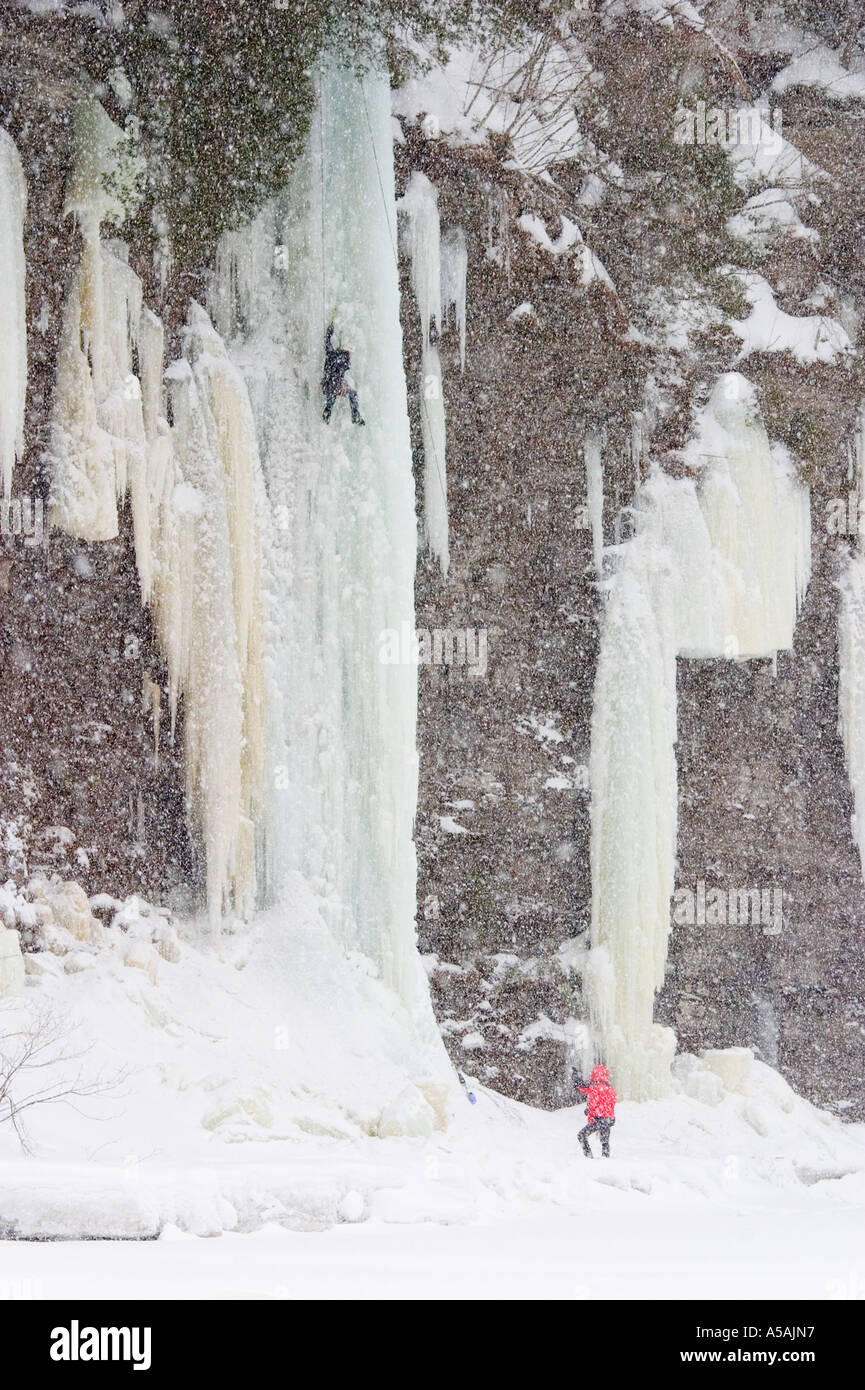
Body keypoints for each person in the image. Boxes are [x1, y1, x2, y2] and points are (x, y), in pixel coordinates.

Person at [322, 315, 365, 425]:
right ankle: (355, 414)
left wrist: (329, 331)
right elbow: (338, 373)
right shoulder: (344, 360)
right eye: (351, 353)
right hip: (334, 384)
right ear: (347, 352)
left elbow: (327, 342)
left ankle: (327, 414)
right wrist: (341, 386)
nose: (351, 356)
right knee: (352, 393)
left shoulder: (331, 353)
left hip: (327, 383)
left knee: (331, 397)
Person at [574, 1064, 616, 1158]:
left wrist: (575, 1077)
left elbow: (581, 1086)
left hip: (599, 1119)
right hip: (608, 1120)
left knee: (581, 1135)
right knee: (605, 1142)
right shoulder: (611, 1089)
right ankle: (606, 1158)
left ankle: (588, 1156)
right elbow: (606, 1105)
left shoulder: (594, 1088)